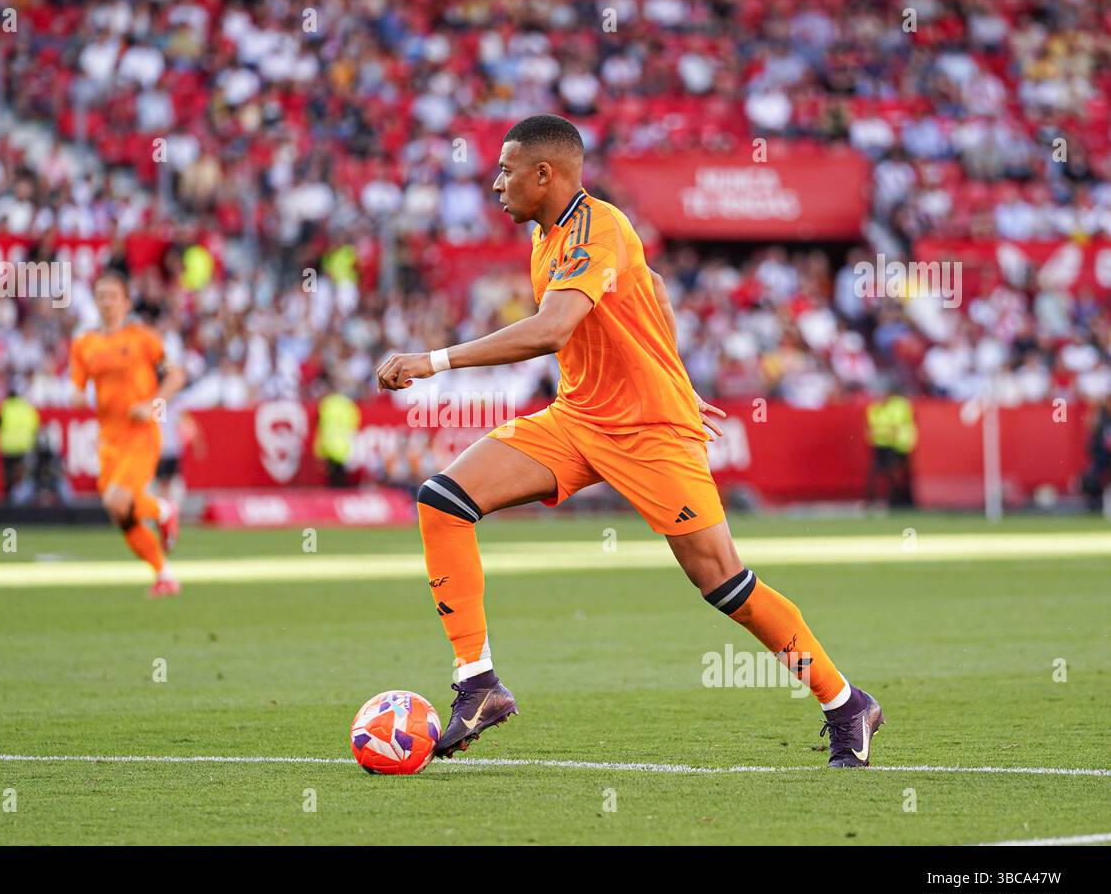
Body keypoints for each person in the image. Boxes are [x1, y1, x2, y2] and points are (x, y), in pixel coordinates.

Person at [377, 115, 883, 767]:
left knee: (724, 584)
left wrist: (433, 361)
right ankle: (477, 684)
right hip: (578, 419)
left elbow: (552, 329)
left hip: (650, 431)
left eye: (506, 171)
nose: (495, 183)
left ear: (544, 174)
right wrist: (673, 365)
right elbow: (656, 290)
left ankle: (846, 704)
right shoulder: (548, 236)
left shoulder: (598, 225)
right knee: (442, 499)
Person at [69, 271, 187, 596]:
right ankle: (165, 575)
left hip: (141, 434)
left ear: (126, 301)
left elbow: (176, 375)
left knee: (117, 499)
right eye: (101, 295)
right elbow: (77, 386)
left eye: (112, 295)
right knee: (121, 514)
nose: (106, 302)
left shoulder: (143, 338)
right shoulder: (84, 345)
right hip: (109, 440)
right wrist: (76, 396)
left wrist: (153, 403)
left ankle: (164, 510)